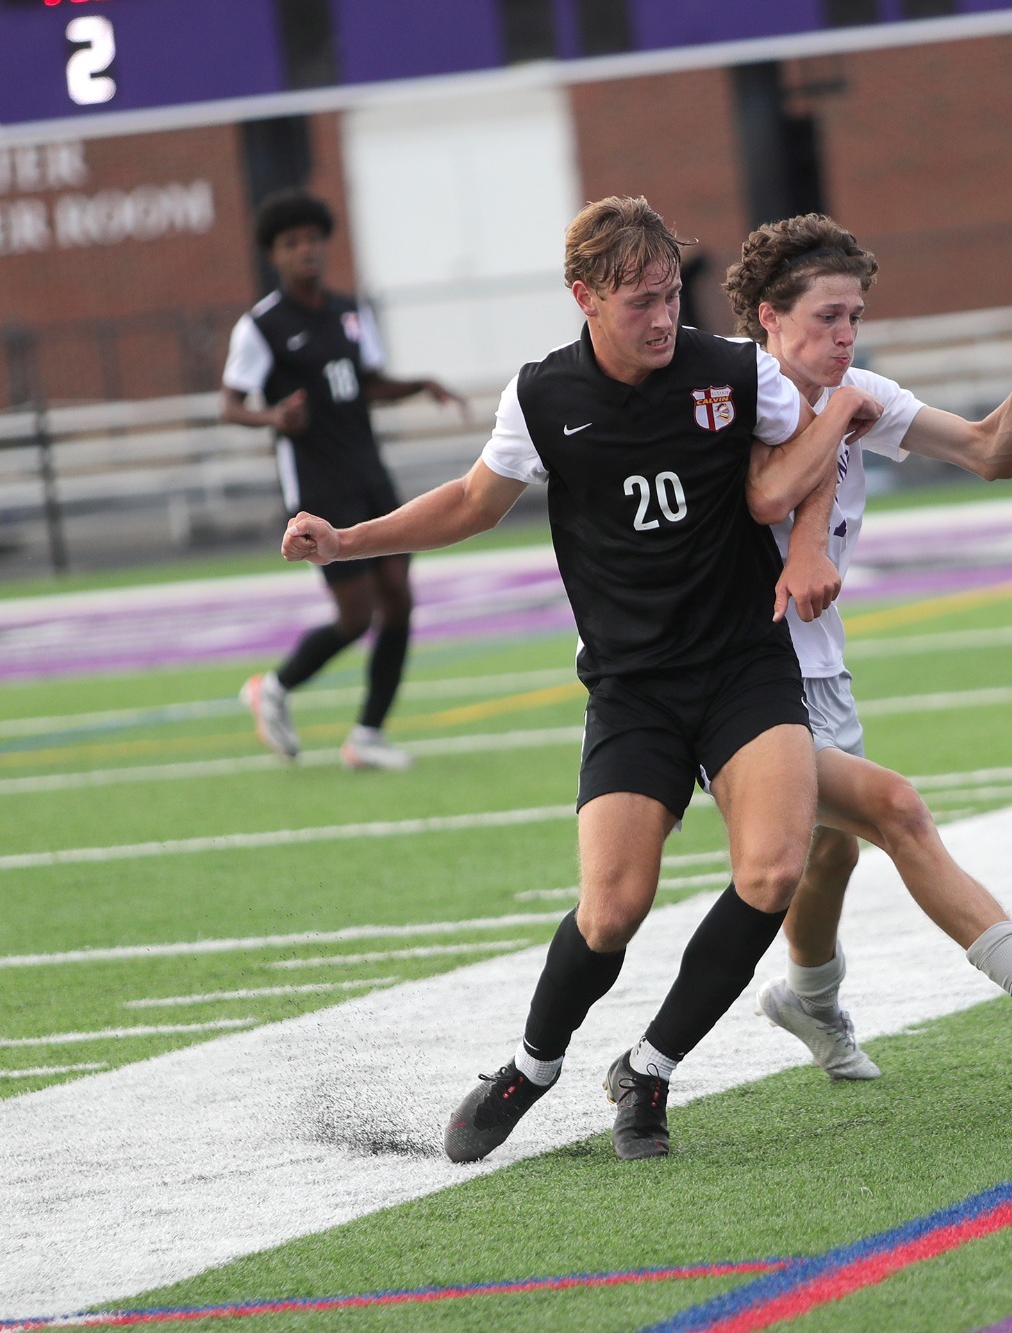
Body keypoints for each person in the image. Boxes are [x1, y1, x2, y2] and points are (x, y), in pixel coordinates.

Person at [279, 197, 876, 1162]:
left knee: (772, 868)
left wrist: (808, 543)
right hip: (633, 685)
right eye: (640, 300)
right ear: (583, 298)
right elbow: (476, 502)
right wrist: (349, 540)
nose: (662, 318)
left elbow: (811, 458)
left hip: (742, 665)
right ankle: (531, 1064)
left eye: (671, 294)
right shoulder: (543, 396)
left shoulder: (733, 370)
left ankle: (650, 1070)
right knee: (611, 908)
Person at [723, 214, 1012, 1080]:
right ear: (767, 316)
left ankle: (808, 1001)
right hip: (734, 682)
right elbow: (768, 493)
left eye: (855, 316)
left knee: (832, 850)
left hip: (820, 672)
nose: (845, 335)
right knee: (897, 809)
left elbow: (989, 452)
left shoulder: (860, 389)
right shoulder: (734, 391)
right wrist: (828, 462)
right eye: (827, 316)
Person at [223, 189, 465, 772]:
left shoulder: (349, 312)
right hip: (316, 480)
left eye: (312, 239)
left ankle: (368, 735)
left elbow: (367, 383)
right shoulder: (261, 326)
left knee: (400, 601)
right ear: (273, 255)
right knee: (356, 614)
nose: (305, 250)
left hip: (367, 471)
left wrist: (420, 385)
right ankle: (273, 688)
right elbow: (231, 403)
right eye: (290, 243)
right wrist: (272, 417)